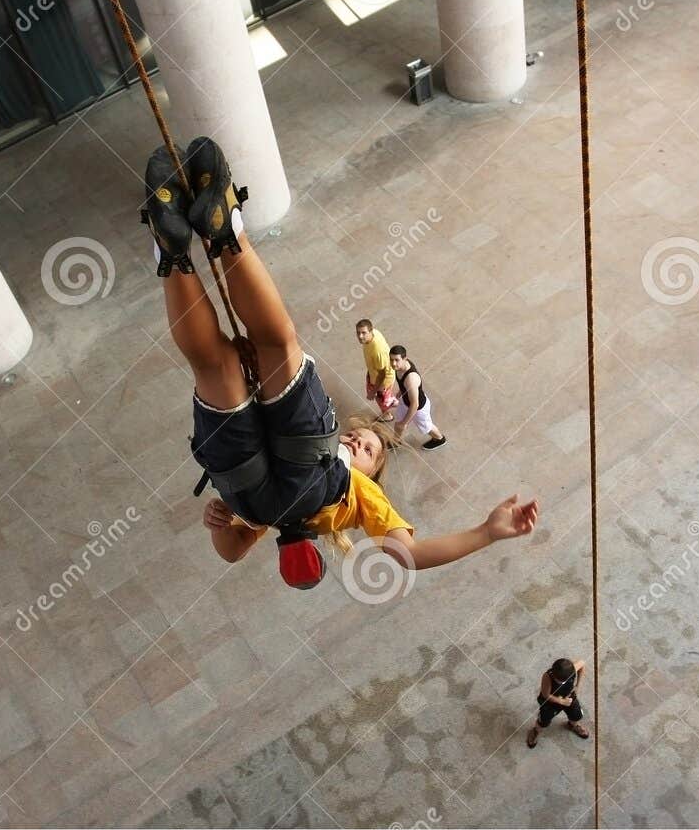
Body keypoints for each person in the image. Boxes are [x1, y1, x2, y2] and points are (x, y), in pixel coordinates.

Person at [143, 135, 537, 589]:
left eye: (367, 449)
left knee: (275, 342)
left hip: (299, 469)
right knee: (216, 366)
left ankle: (226, 235)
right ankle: (171, 255)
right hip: (252, 485)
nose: (357, 442)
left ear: (370, 478)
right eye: (360, 438)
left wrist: (220, 524)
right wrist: (485, 533)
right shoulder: (339, 505)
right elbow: (403, 555)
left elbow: (231, 549)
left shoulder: (358, 494)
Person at [389, 345, 447, 450]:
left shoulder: (411, 378)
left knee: (427, 427)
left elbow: (415, 404)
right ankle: (396, 441)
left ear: (405, 359)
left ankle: (439, 439)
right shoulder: (399, 367)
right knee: (398, 424)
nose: (393, 363)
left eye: (396, 360)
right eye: (391, 359)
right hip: (406, 402)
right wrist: (398, 395)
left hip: (418, 408)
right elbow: (404, 386)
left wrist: (404, 423)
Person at [528, 657, 589, 748]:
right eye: (558, 680)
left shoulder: (571, 669)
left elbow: (582, 663)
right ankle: (536, 731)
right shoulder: (547, 676)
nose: (559, 682)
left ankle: (573, 724)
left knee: (576, 714)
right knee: (543, 721)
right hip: (551, 703)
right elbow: (546, 695)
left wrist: (577, 686)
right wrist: (561, 701)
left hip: (569, 697)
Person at [356, 319, 398, 422]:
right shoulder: (375, 333)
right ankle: (392, 400)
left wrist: (373, 392)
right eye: (358, 332)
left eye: (363, 333)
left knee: (381, 400)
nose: (360, 336)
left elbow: (382, 374)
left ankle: (387, 415)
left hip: (383, 381)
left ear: (370, 331)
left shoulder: (377, 351)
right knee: (386, 396)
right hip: (375, 372)